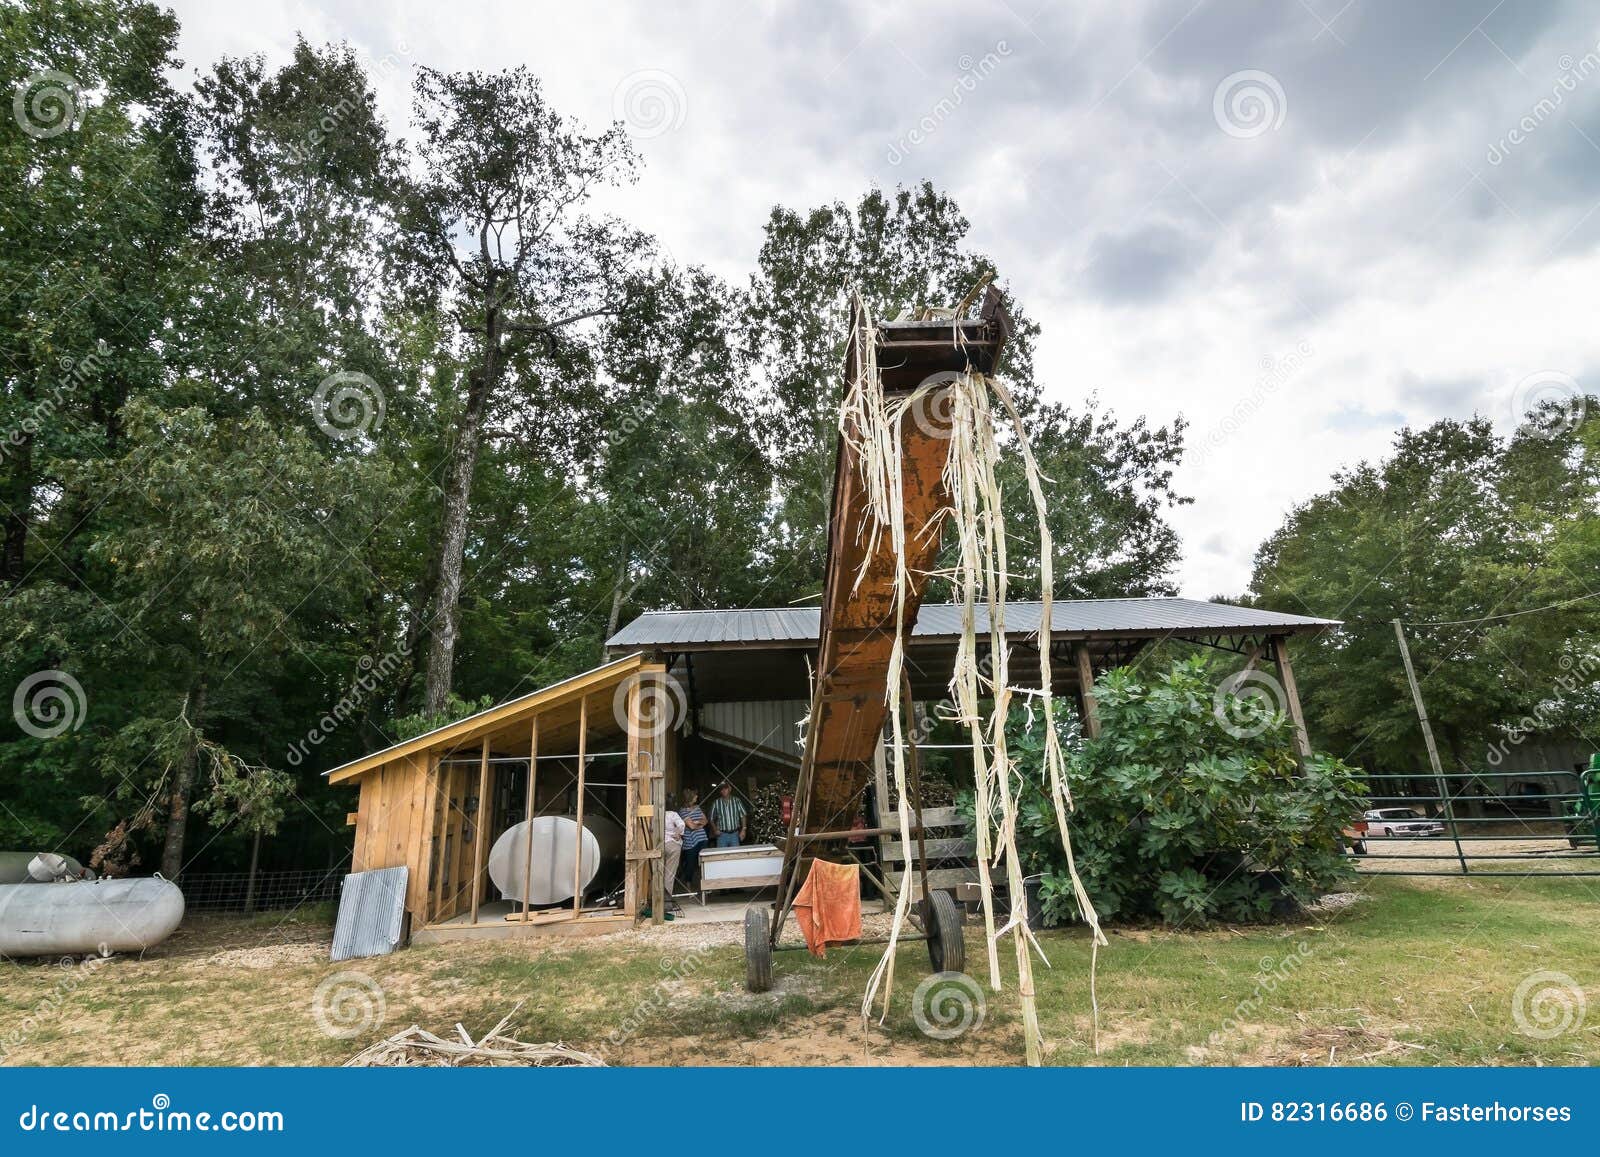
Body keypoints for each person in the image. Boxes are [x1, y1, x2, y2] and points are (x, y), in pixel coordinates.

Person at [678, 790, 708, 890]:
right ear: (690, 798)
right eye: (695, 796)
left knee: (704, 862)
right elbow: (691, 826)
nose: (697, 797)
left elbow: (706, 820)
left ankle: (705, 885)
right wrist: (699, 824)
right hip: (690, 842)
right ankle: (688, 886)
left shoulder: (697, 807)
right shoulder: (682, 811)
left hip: (702, 838)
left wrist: (696, 822)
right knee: (690, 864)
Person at [708, 781, 747, 848]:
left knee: (735, 853)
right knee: (721, 854)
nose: (723, 790)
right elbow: (711, 818)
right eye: (721, 789)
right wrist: (715, 829)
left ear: (730, 789)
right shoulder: (716, 803)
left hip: (734, 834)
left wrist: (743, 829)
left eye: (725, 788)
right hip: (721, 835)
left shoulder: (737, 801)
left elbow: (743, 815)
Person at [663, 805, 685, 900]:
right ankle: (666, 900)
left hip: (657, 845)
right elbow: (681, 824)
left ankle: (655, 898)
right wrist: (678, 833)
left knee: (657, 873)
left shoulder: (652, 815)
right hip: (672, 845)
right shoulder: (672, 814)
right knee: (669, 873)